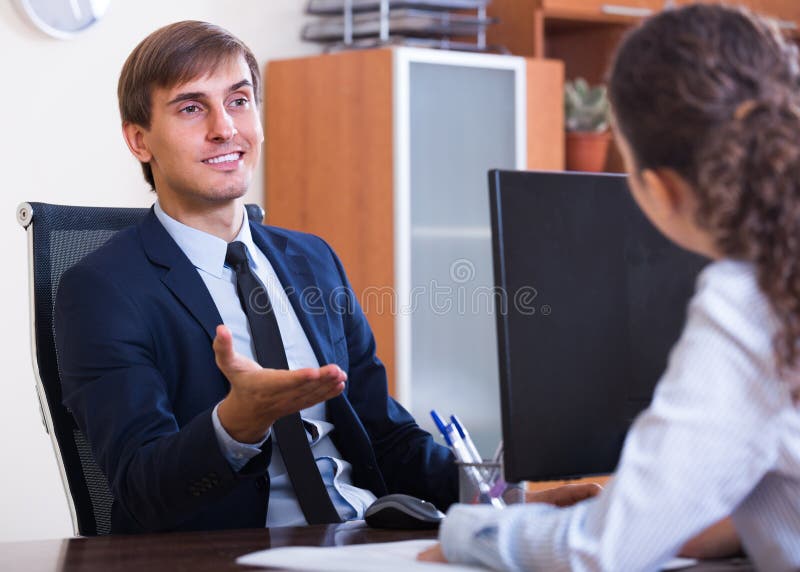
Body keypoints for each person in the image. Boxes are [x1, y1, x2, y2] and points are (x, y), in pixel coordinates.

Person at [54, 20, 598, 534]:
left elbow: (386, 436)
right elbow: (142, 488)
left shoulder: (312, 259)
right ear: (140, 140)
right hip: (239, 553)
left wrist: (505, 500)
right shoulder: (102, 291)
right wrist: (235, 425)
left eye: (239, 101)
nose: (226, 128)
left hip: (366, 536)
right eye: (192, 108)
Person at [419, 4, 800, 570]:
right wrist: (742, 523)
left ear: (659, 191)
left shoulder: (748, 303)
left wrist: (465, 531)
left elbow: (599, 551)